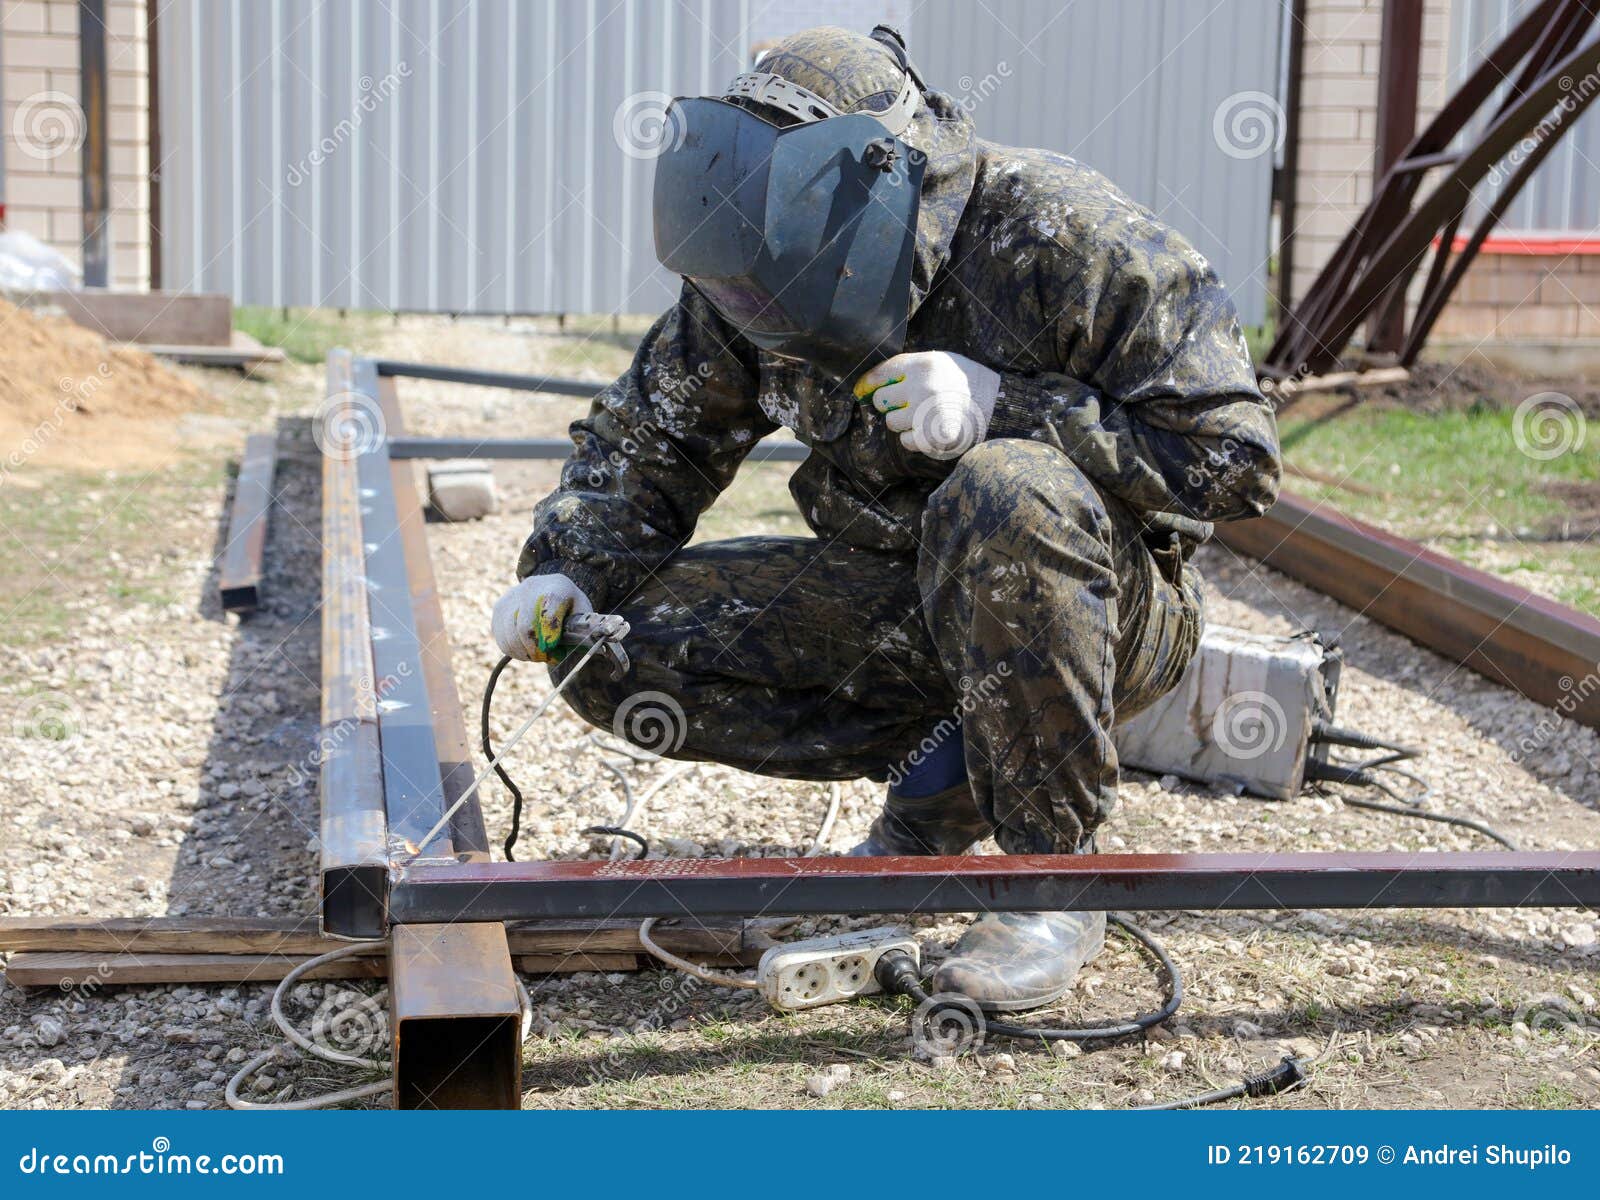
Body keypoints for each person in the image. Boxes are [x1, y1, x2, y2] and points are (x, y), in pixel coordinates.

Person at [491, 25, 1280, 1011]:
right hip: (907, 602)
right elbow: (658, 435)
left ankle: (1050, 882)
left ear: (876, 196)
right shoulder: (754, 256)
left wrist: (1011, 408)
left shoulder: (1054, 234)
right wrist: (566, 569)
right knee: (611, 644)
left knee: (1004, 492)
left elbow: (1234, 463)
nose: (754, 316)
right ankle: (929, 811)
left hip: (1107, 614)